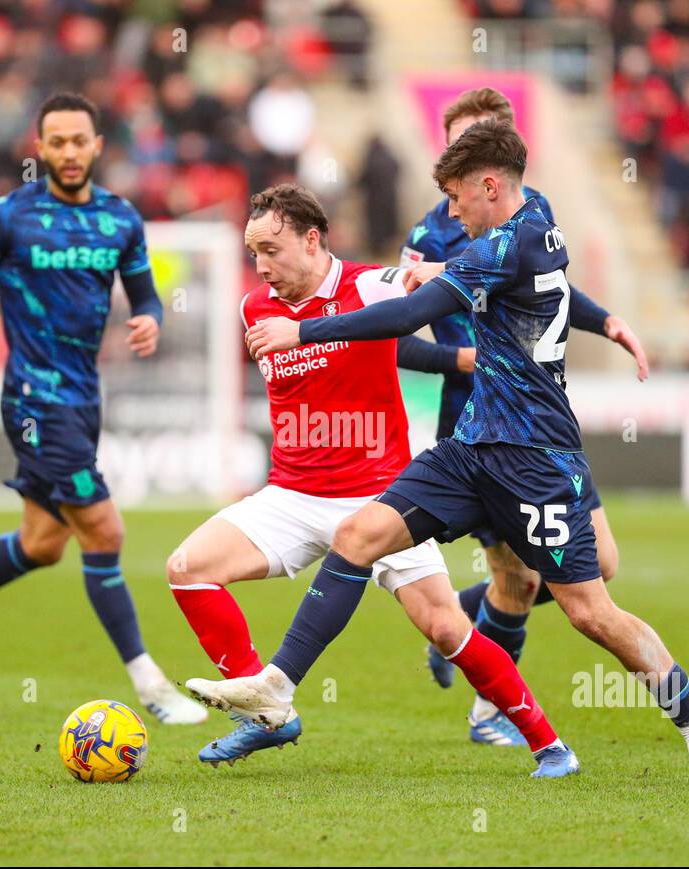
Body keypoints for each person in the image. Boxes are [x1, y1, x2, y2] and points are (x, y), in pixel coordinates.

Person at [191, 121, 689, 786]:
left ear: (488, 185)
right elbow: (511, 278)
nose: (449, 212)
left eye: (455, 198)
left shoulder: (506, 243)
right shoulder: (533, 222)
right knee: (359, 537)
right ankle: (278, 687)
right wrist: (601, 317)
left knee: (590, 610)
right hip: (470, 447)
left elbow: (398, 321)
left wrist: (302, 327)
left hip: (534, 455)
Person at [0, 92, 205, 725]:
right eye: (55, 142)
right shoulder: (7, 218)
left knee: (42, 544)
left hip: (85, 397)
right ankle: (151, 686)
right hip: (35, 400)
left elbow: (146, 296)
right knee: (105, 531)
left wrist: (148, 318)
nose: (68, 152)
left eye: (78, 141)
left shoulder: (121, 220)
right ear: (39, 148)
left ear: (96, 146)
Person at [169, 183, 505, 766]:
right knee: (188, 569)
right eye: (254, 254)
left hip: (381, 496)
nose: (261, 266)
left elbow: (398, 326)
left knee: (447, 629)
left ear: (311, 239)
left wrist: (462, 357)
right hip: (293, 494)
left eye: (271, 250)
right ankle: (267, 709)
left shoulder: (371, 283)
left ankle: (543, 738)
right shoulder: (255, 309)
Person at [403, 87, 648, 747]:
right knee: (517, 576)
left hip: (543, 424)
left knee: (605, 562)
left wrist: (607, 322)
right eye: (467, 135)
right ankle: (491, 712)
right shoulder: (429, 235)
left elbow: (554, 287)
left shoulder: (531, 209)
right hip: (477, 427)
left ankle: (456, 620)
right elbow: (400, 342)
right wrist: (471, 362)